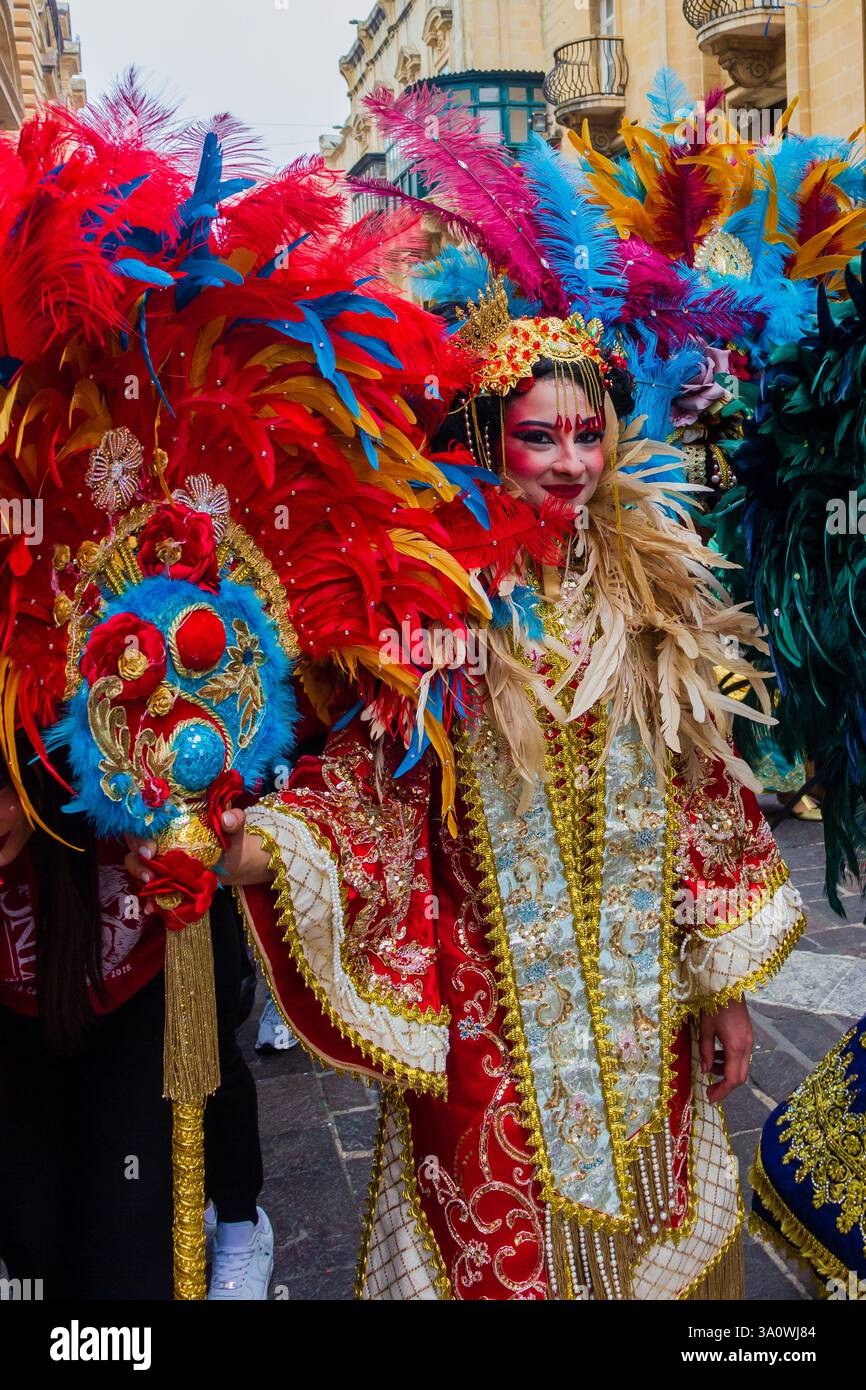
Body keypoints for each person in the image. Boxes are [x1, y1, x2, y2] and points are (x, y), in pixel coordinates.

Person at [0, 767, 272, 1300]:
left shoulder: (117, 777)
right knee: (31, 1236)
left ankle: (239, 1221)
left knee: (128, 1241)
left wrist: (185, 833)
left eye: (1, 787)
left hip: (139, 1000)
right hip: (16, 1030)